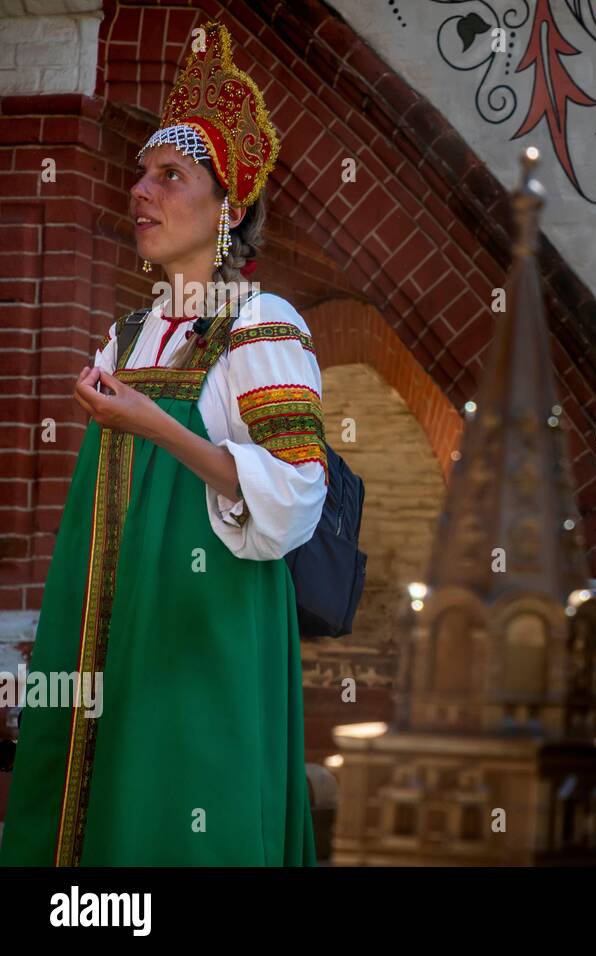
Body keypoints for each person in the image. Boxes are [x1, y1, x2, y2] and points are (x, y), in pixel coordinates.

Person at [0, 22, 324, 866]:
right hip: (112, 620)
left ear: (230, 208)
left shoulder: (261, 325)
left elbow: (294, 497)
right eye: (141, 173)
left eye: (169, 176)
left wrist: (157, 426)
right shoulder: (129, 334)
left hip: (203, 625)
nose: (140, 191)